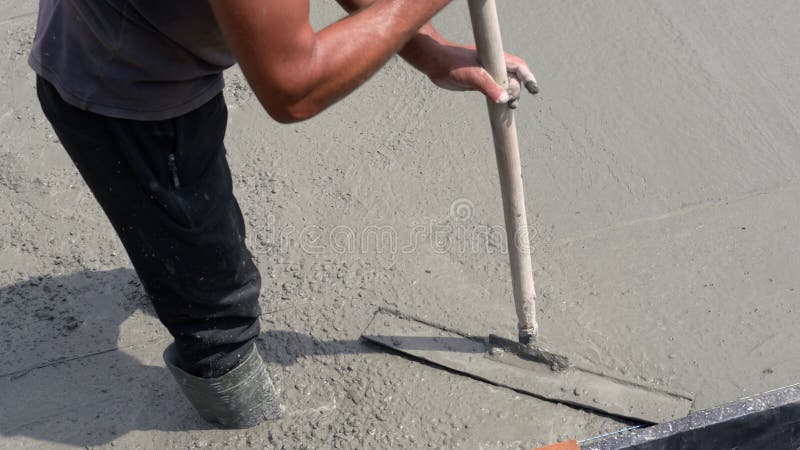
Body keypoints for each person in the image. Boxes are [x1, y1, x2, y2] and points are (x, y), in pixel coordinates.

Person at [29, 0, 538, 429]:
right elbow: (292, 90)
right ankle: (237, 409)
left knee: (189, 237)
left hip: (152, 42)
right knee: (217, 305)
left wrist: (429, 51)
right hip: (122, 93)